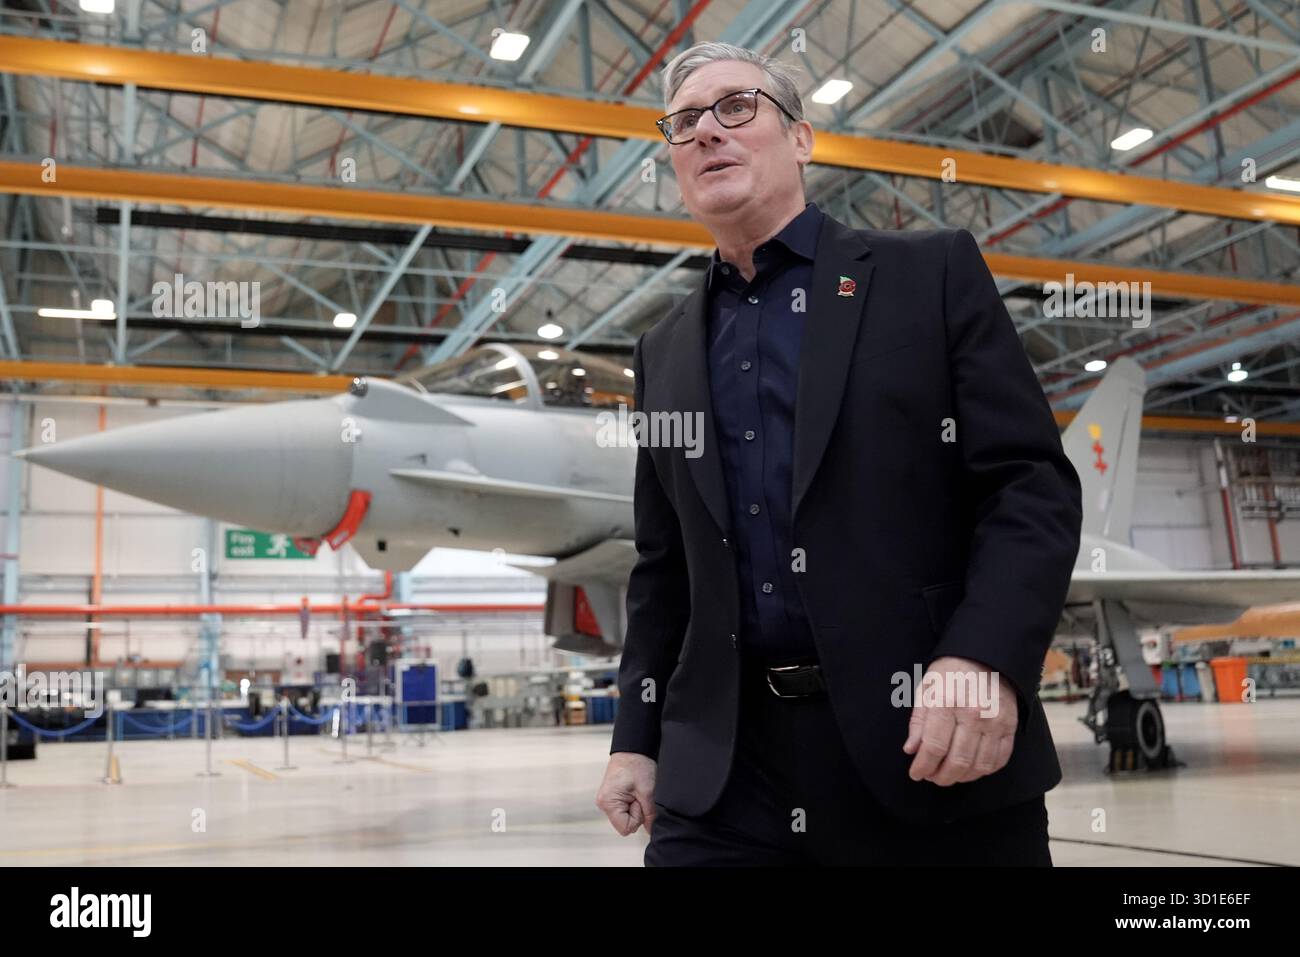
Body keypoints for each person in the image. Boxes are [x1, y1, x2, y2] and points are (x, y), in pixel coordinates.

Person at [594, 41, 1083, 866]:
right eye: (683, 123)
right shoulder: (663, 350)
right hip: (725, 777)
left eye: (736, 107)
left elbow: (1028, 485)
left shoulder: (929, 275)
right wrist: (635, 737)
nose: (706, 131)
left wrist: (984, 656)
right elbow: (664, 564)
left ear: (802, 139)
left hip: (927, 748)